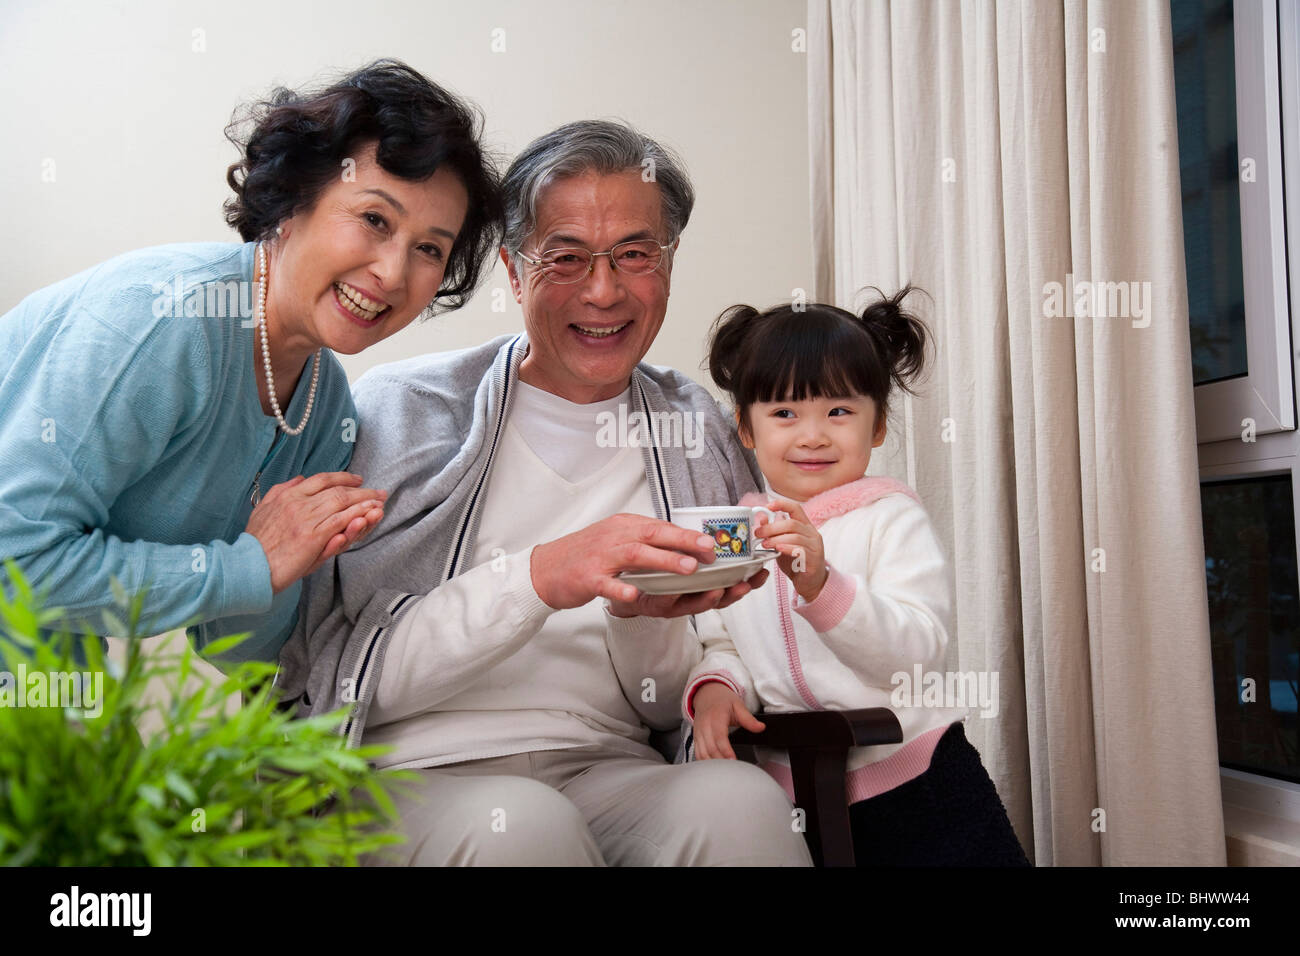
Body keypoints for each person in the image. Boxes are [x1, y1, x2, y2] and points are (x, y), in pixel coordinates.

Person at [277, 120, 814, 866]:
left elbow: (669, 704)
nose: (604, 290)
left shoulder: (697, 429)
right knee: (524, 825)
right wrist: (541, 577)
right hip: (409, 772)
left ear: (670, 261)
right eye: (565, 257)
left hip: (606, 765)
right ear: (513, 268)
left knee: (742, 805)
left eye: (634, 254)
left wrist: (644, 616)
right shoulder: (403, 411)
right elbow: (351, 672)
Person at [0, 60, 502, 663]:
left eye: (428, 249)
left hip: (50, 655)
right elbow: (14, 562)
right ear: (294, 201)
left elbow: (237, 651)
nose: (393, 273)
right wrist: (250, 565)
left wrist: (301, 565)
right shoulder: (164, 323)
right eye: (374, 219)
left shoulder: (323, 406)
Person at [684, 288, 1031, 866]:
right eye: (784, 413)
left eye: (839, 411)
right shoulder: (738, 533)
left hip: (916, 778)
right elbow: (723, 637)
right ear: (746, 428)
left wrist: (823, 585)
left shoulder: (891, 518)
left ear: (877, 426)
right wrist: (718, 687)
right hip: (798, 787)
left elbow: (915, 652)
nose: (813, 434)